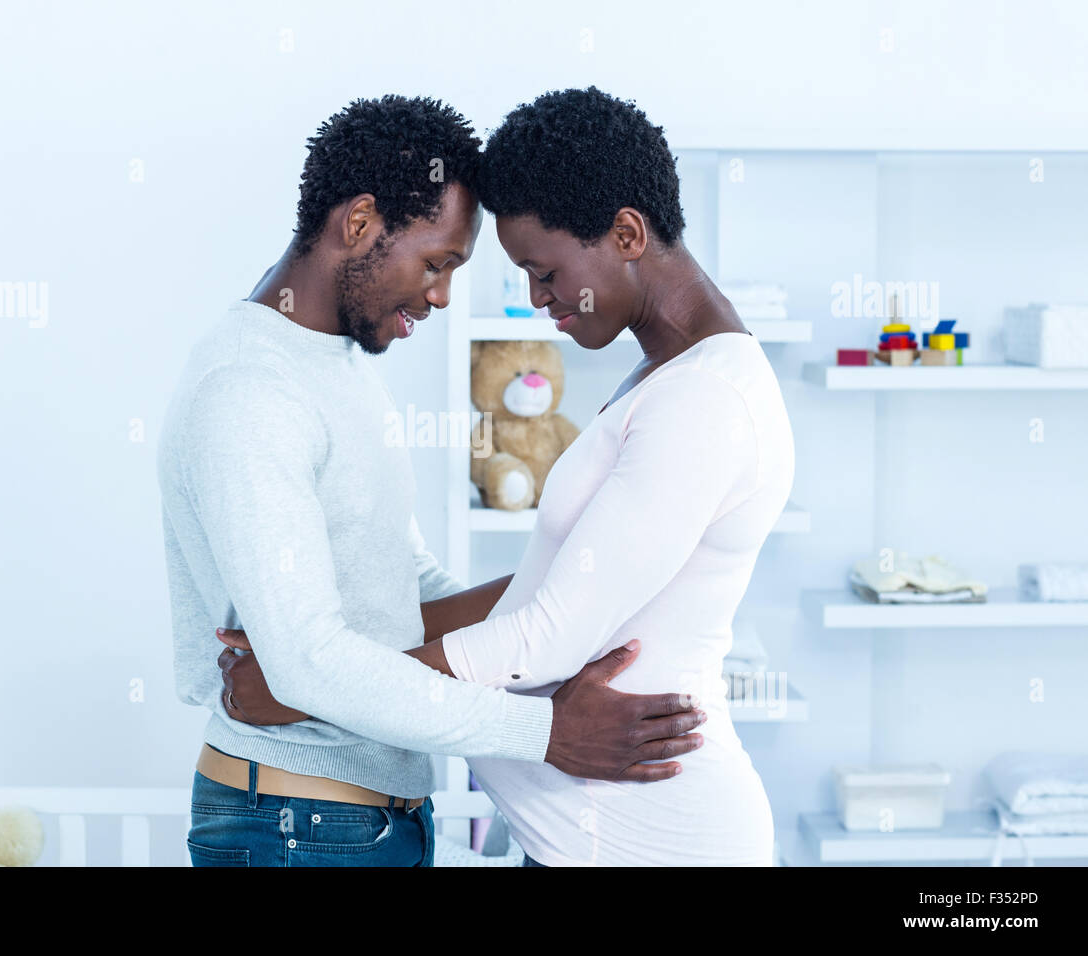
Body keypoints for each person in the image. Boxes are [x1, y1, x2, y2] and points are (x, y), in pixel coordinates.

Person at [219, 87, 796, 866]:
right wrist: (320, 654)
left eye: (544, 269)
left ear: (627, 232)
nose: (537, 298)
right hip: (583, 839)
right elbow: (543, 586)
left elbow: (550, 635)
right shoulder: (668, 378)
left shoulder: (707, 400)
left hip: (655, 841)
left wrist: (303, 693)